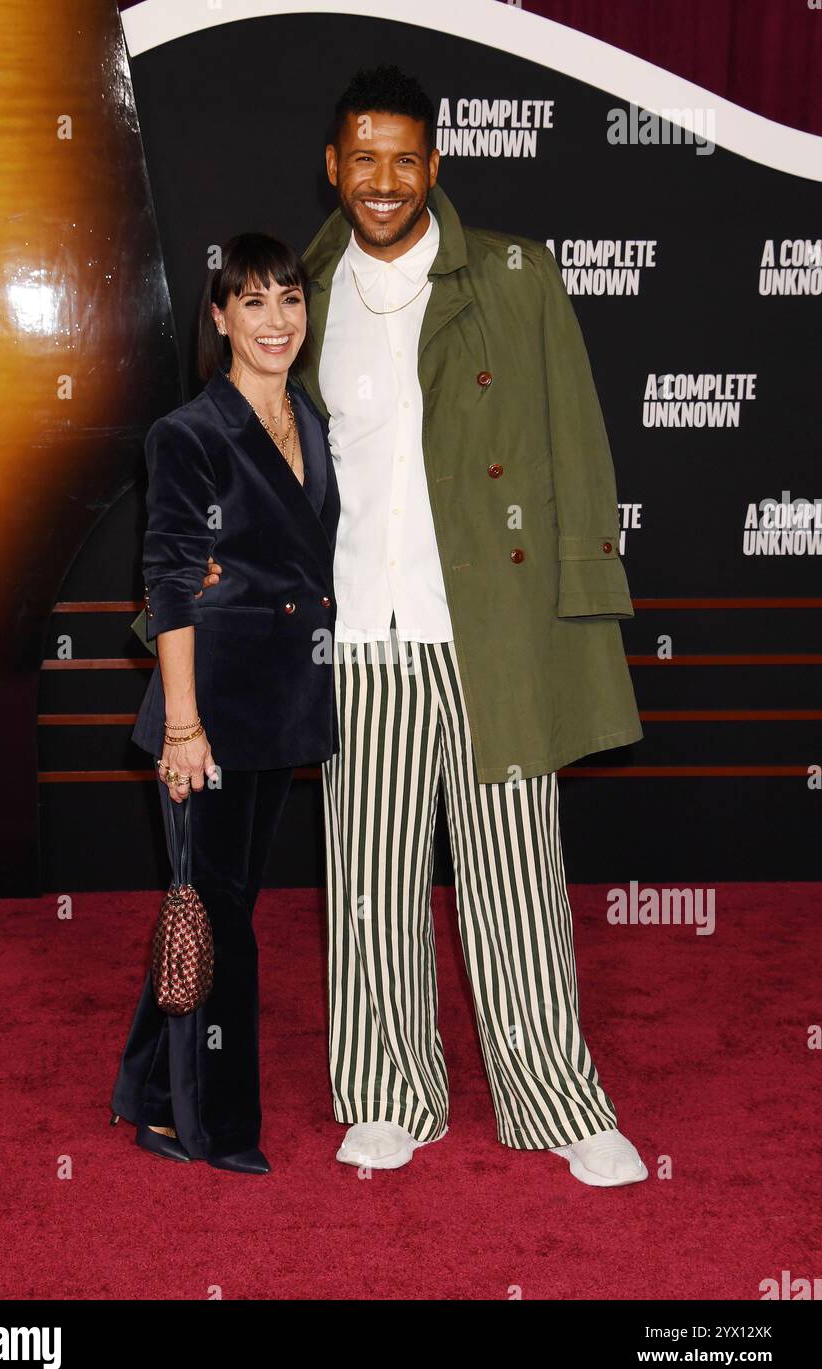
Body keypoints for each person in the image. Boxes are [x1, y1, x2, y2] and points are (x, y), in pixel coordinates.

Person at [201, 66, 648, 1188]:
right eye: (364, 157)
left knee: (517, 875)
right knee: (369, 877)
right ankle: (392, 1089)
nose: (385, 180)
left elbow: (577, 444)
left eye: (406, 158)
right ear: (334, 167)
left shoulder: (511, 275)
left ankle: (554, 1097)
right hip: (360, 638)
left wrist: (583, 599)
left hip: (485, 629)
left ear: (434, 166)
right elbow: (249, 457)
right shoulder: (300, 289)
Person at [109, 233, 339, 1175]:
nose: (276, 320)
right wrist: (182, 725)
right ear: (218, 317)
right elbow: (168, 582)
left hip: (282, 702)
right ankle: (207, 1123)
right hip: (205, 712)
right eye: (253, 302)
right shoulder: (189, 433)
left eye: (289, 299)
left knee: (215, 900)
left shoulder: (311, 418)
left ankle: (145, 1090)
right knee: (223, 919)